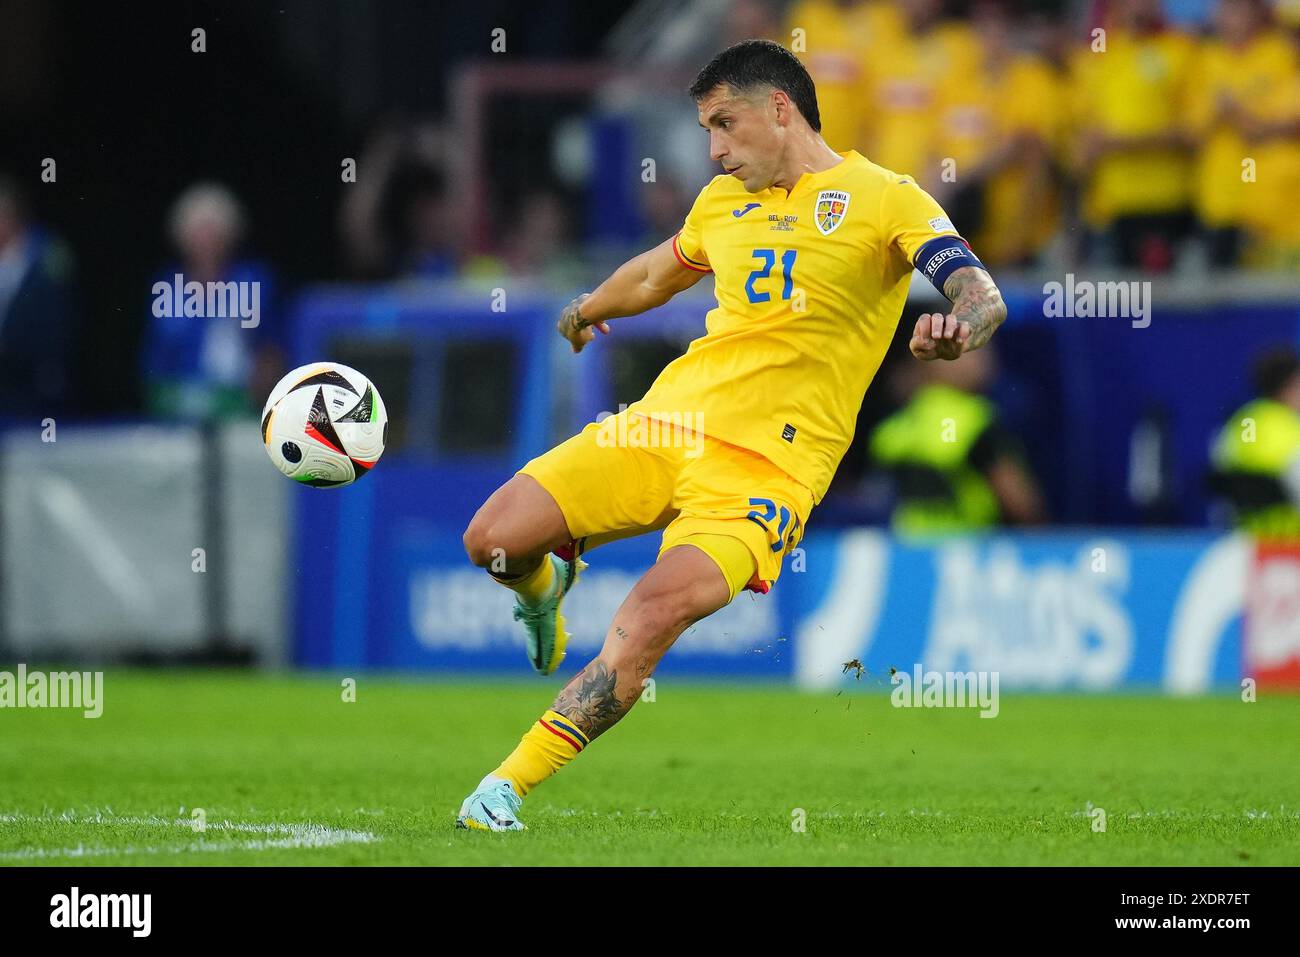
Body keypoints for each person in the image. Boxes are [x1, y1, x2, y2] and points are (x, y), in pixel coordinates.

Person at [455, 39, 1007, 830]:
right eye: (706, 128)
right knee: (492, 540)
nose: (713, 148)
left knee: (649, 617)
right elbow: (653, 274)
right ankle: (544, 587)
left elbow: (980, 292)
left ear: (779, 108)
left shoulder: (887, 198)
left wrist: (960, 327)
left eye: (724, 123)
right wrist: (588, 309)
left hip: (763, 475)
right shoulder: (721, 203)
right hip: (660, 424)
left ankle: (503, 786)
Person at [869, 343, 1046, 533]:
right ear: (937, 362)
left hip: (907, 548)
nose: (984, 358)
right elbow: (1019, 502)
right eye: (972, 350)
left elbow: (871, 499)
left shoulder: (890, 429)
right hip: (969, 550)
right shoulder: (974, 420)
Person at [1209, 346, 1300, 537]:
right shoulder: (1292, 429)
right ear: (1289, 386)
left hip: (1241, 539)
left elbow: (1219, 474)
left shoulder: (1238, 422)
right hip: (1288, 543)